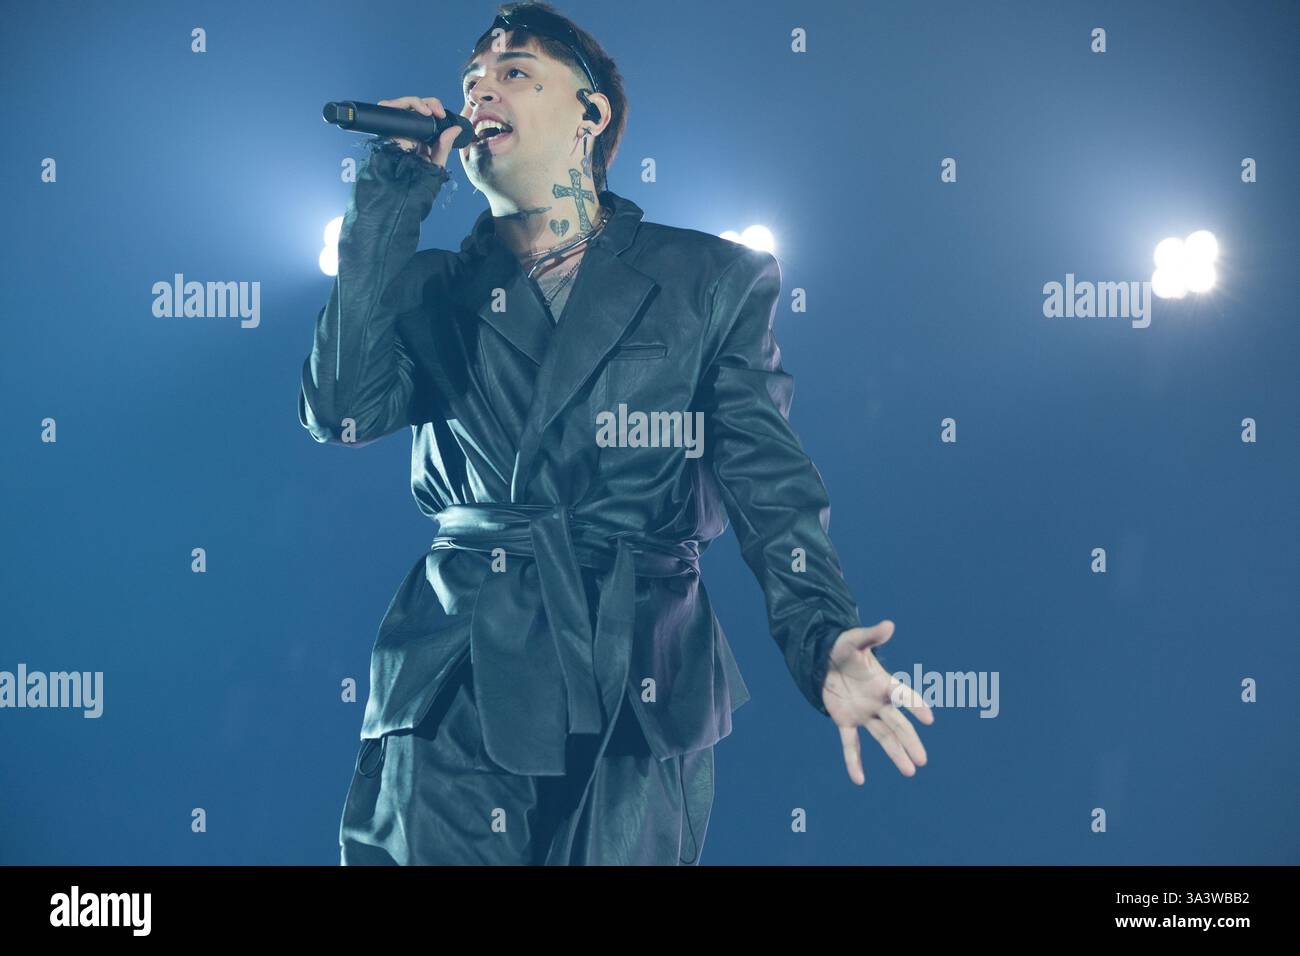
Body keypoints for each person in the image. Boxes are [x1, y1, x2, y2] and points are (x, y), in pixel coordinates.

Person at [299, 1, 934, 866]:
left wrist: (820, 634)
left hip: (641, 674)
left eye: (514, 71)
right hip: (458, 673)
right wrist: (391, 194)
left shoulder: (706, 278)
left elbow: (767, 481)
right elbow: (341, 409)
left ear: (590, 116)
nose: (481, 88)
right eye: (470, 79)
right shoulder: (431, 285)